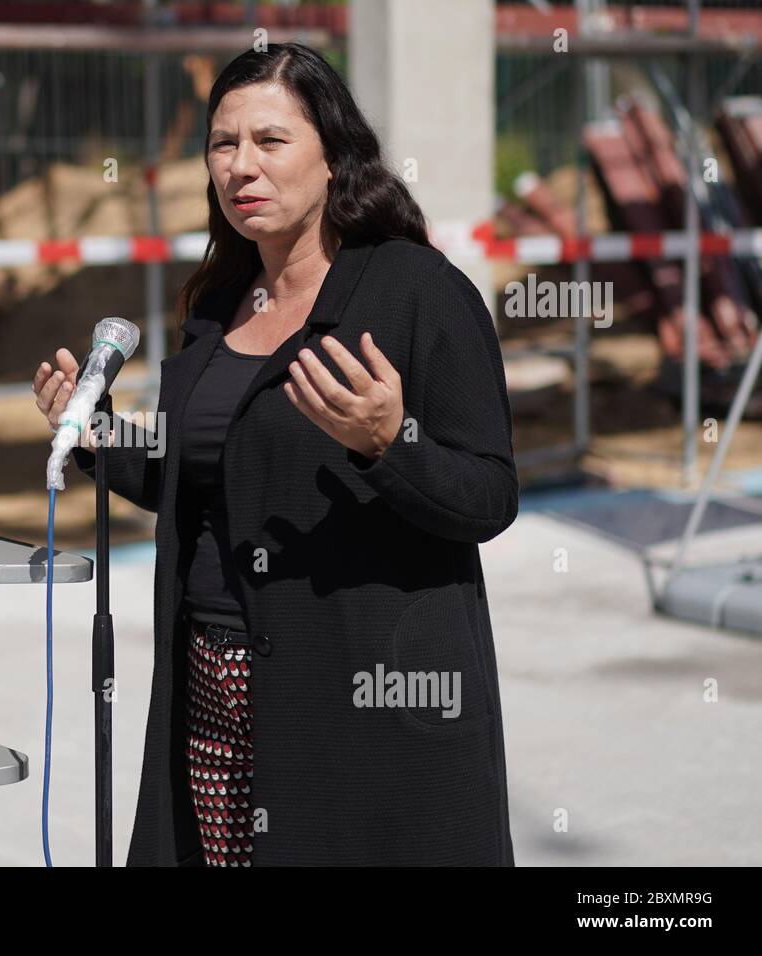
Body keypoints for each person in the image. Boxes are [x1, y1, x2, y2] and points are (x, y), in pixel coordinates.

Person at [33, 42, 517, 866]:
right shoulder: (220, 302)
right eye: (223, 144)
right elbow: (206, 481)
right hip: (212, 684)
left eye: (271, 141)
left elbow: (489, 494)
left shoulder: (416, 292)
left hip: (362, 698)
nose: (241, 167)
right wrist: (97, 431)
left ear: (334, 156)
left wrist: (387, 442)